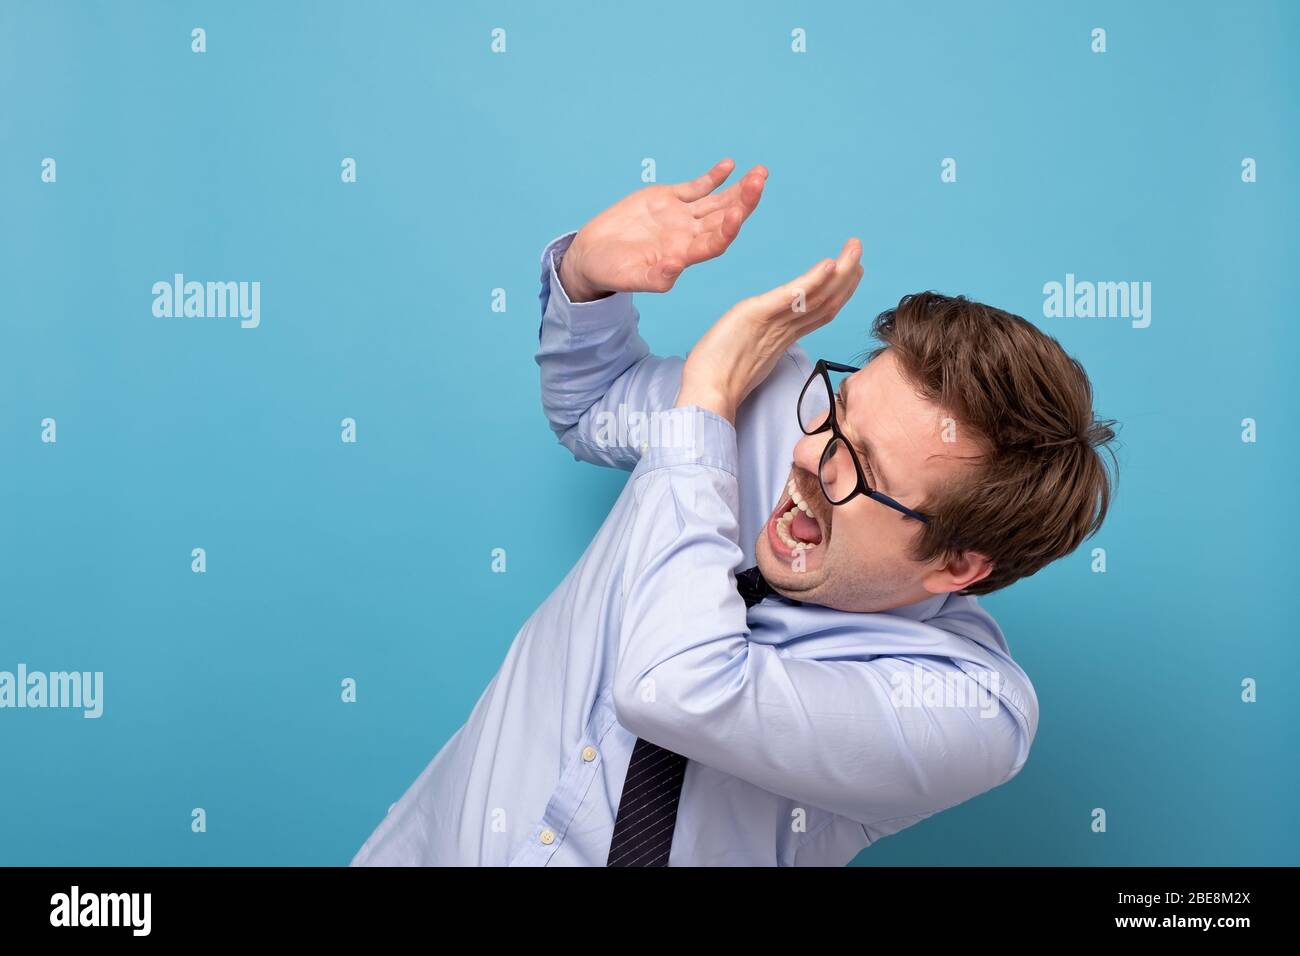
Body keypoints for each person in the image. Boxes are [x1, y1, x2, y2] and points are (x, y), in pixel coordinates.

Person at [351, 159, 1117, 866]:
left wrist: (709, 395)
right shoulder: (776, 404)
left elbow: (673, 689)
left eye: (864, 471)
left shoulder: (969, 712)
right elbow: (591, 409)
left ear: (958, 563)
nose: (809, 458)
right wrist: (587, 278)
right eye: (837, 411)